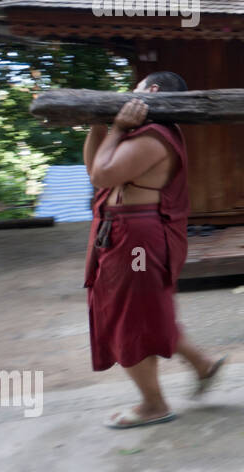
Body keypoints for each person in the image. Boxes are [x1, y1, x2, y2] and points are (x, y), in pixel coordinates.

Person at [83, 71, 225, 427]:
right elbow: (94, 171)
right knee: (147, 312)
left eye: (136, 88)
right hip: (121, 229)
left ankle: (153, 405)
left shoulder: (156, 136)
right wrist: (99, 125)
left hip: (135, 237)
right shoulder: (138, 134)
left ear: (153, 92)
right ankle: (203, 366)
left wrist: (115, 129)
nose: (129, 94)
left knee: (129, 319)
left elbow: (102, 175)